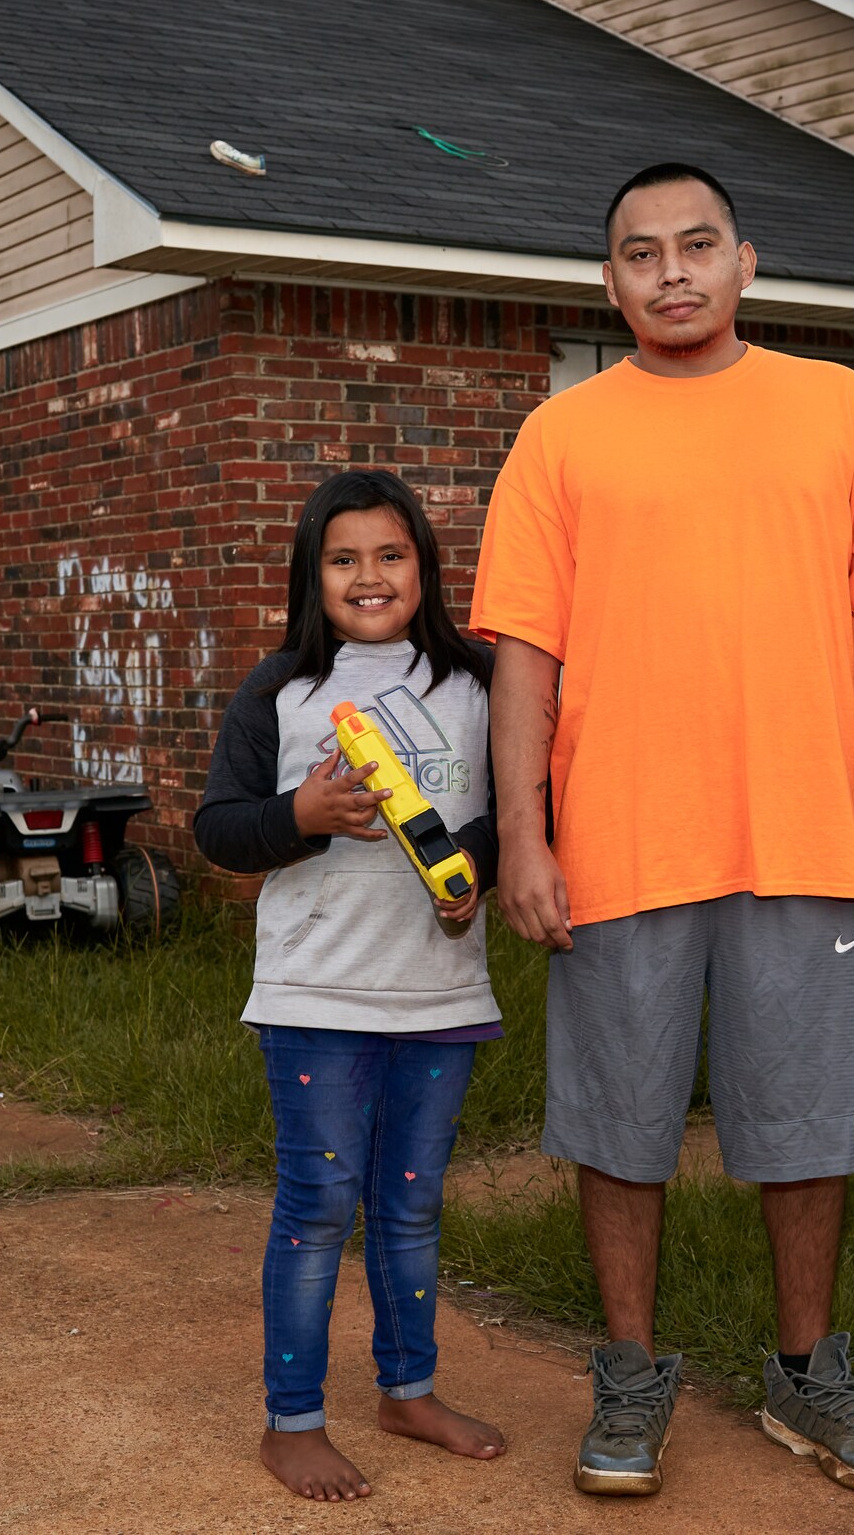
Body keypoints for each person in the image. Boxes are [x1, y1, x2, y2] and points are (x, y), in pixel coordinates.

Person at [471, 162, 854, 1497]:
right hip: (621, 842)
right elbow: (522, 656)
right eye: (641, 254)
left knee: (805, 1121)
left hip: (798, 831)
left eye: (697, 246)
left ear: (749, 260)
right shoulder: (563, 439)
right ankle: (629, 1377)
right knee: (617, 1123)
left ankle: (807, 1369)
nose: (672, 273)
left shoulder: (837, 407)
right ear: (610, 283)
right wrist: (525, 835)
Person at [194, 469, 508, 1502]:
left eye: (389, 555)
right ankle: (292, 1423)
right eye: (342, 559)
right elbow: (218, 829)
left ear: (423, 564)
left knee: (410, 1214)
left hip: (440, 998)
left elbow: (510, 814)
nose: (367, 576)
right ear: (310, 574)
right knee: (319, 1207)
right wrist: (303, 815)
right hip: (313, 998)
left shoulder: (475, 679)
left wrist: (473, 878)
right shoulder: (280, 688)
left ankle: (406, 1390)